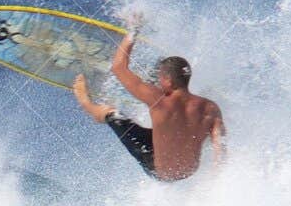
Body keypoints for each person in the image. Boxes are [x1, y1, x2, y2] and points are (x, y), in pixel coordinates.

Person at [72, 25, 224, 181]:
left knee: (111, 114)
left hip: (161, 171)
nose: (158, 82)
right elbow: (221, 148)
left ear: (168, 80)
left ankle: (87, 104)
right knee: (184, 129)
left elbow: (118, 67)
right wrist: (216, 183)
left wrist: (133, 30)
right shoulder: (211, 108)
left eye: (160, 78)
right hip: (189, 171)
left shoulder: (158, 100)